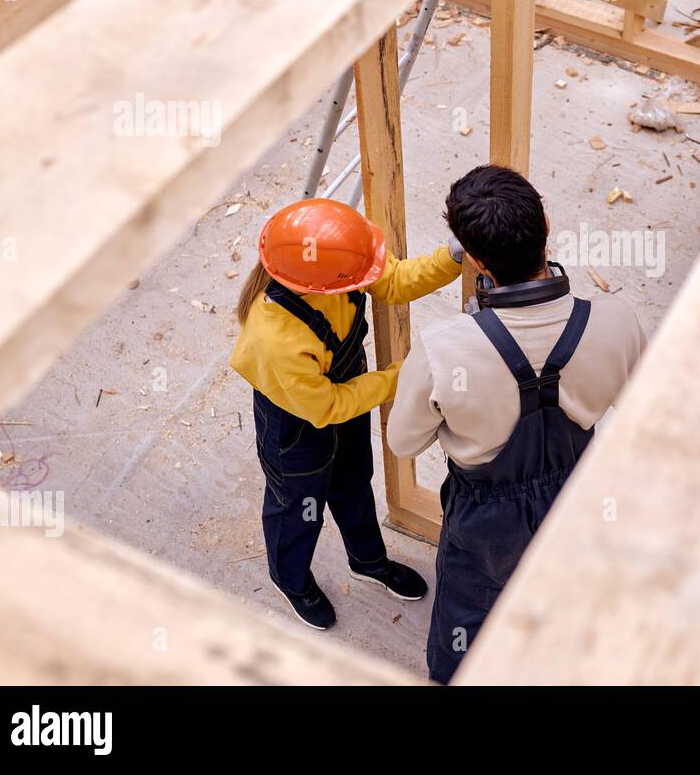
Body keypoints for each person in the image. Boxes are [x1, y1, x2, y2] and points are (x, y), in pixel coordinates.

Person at [386, 165, 646, 682]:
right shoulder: (617, 321)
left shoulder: (443, 350)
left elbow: (403, 441)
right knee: (562, 594)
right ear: (546, 224)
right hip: (576, 495)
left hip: (486, 517)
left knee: (470, 607)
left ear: (476, 260)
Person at [230, 198, 461, 630]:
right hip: (295, 425)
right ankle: (291, 579)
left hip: (346, 391)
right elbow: (328, 406)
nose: (366, 279)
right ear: (320, 287)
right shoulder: (277, 338)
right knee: (300, 504)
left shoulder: (338, 268)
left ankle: (368, 560)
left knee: (354, 480)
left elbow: (394, 281)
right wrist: (399, 377)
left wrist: (451, 256)